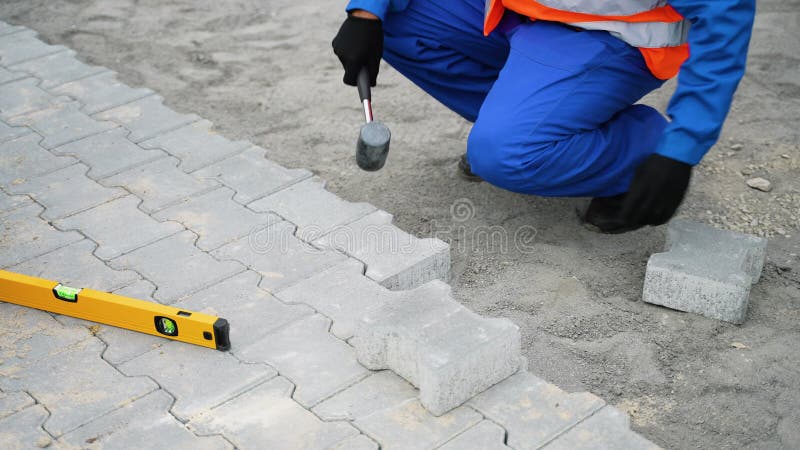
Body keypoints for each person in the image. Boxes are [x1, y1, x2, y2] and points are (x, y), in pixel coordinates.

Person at [332, 0, 756, 233]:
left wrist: (682, 147)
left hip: (608, 33)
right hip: (512, 9)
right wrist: (366, 11)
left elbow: (725, 17)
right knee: (393, 17)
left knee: (502, 153)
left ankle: (640, 144)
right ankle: (535, 116)